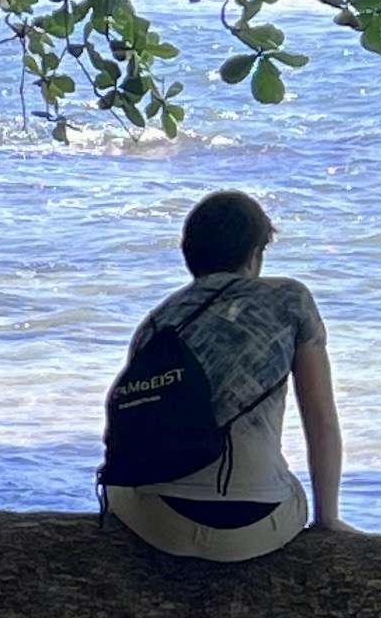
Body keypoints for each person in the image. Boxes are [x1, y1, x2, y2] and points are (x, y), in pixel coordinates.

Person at [98, 190, 342, 561]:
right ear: (256, 253)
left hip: (163, 524)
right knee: (288, 488)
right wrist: (328, 519)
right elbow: (321, 420)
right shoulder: (291, 299)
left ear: (189, 253)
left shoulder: (158, 321)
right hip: (257, 526)